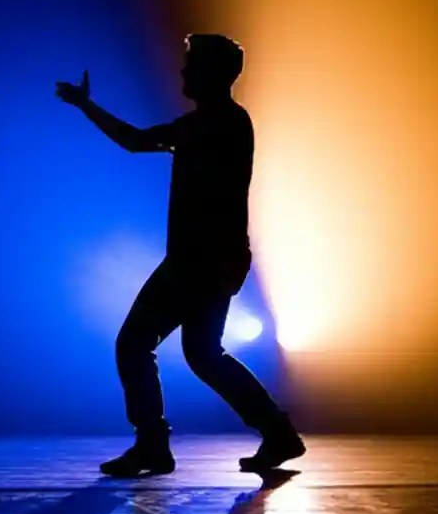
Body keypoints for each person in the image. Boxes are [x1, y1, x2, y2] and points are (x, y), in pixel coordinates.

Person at [55, 34, 305, 476]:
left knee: (136, 343)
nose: (183, 72)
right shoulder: (209, 123)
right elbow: (135, 141)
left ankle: (154, 442)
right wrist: (86, 107)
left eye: (191, 65)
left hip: (199, 260)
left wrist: (85, 107)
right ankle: (276, 432)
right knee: (203, 354)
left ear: (212, 72)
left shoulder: (218, 124)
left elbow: (138, 142)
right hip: (210, 259)